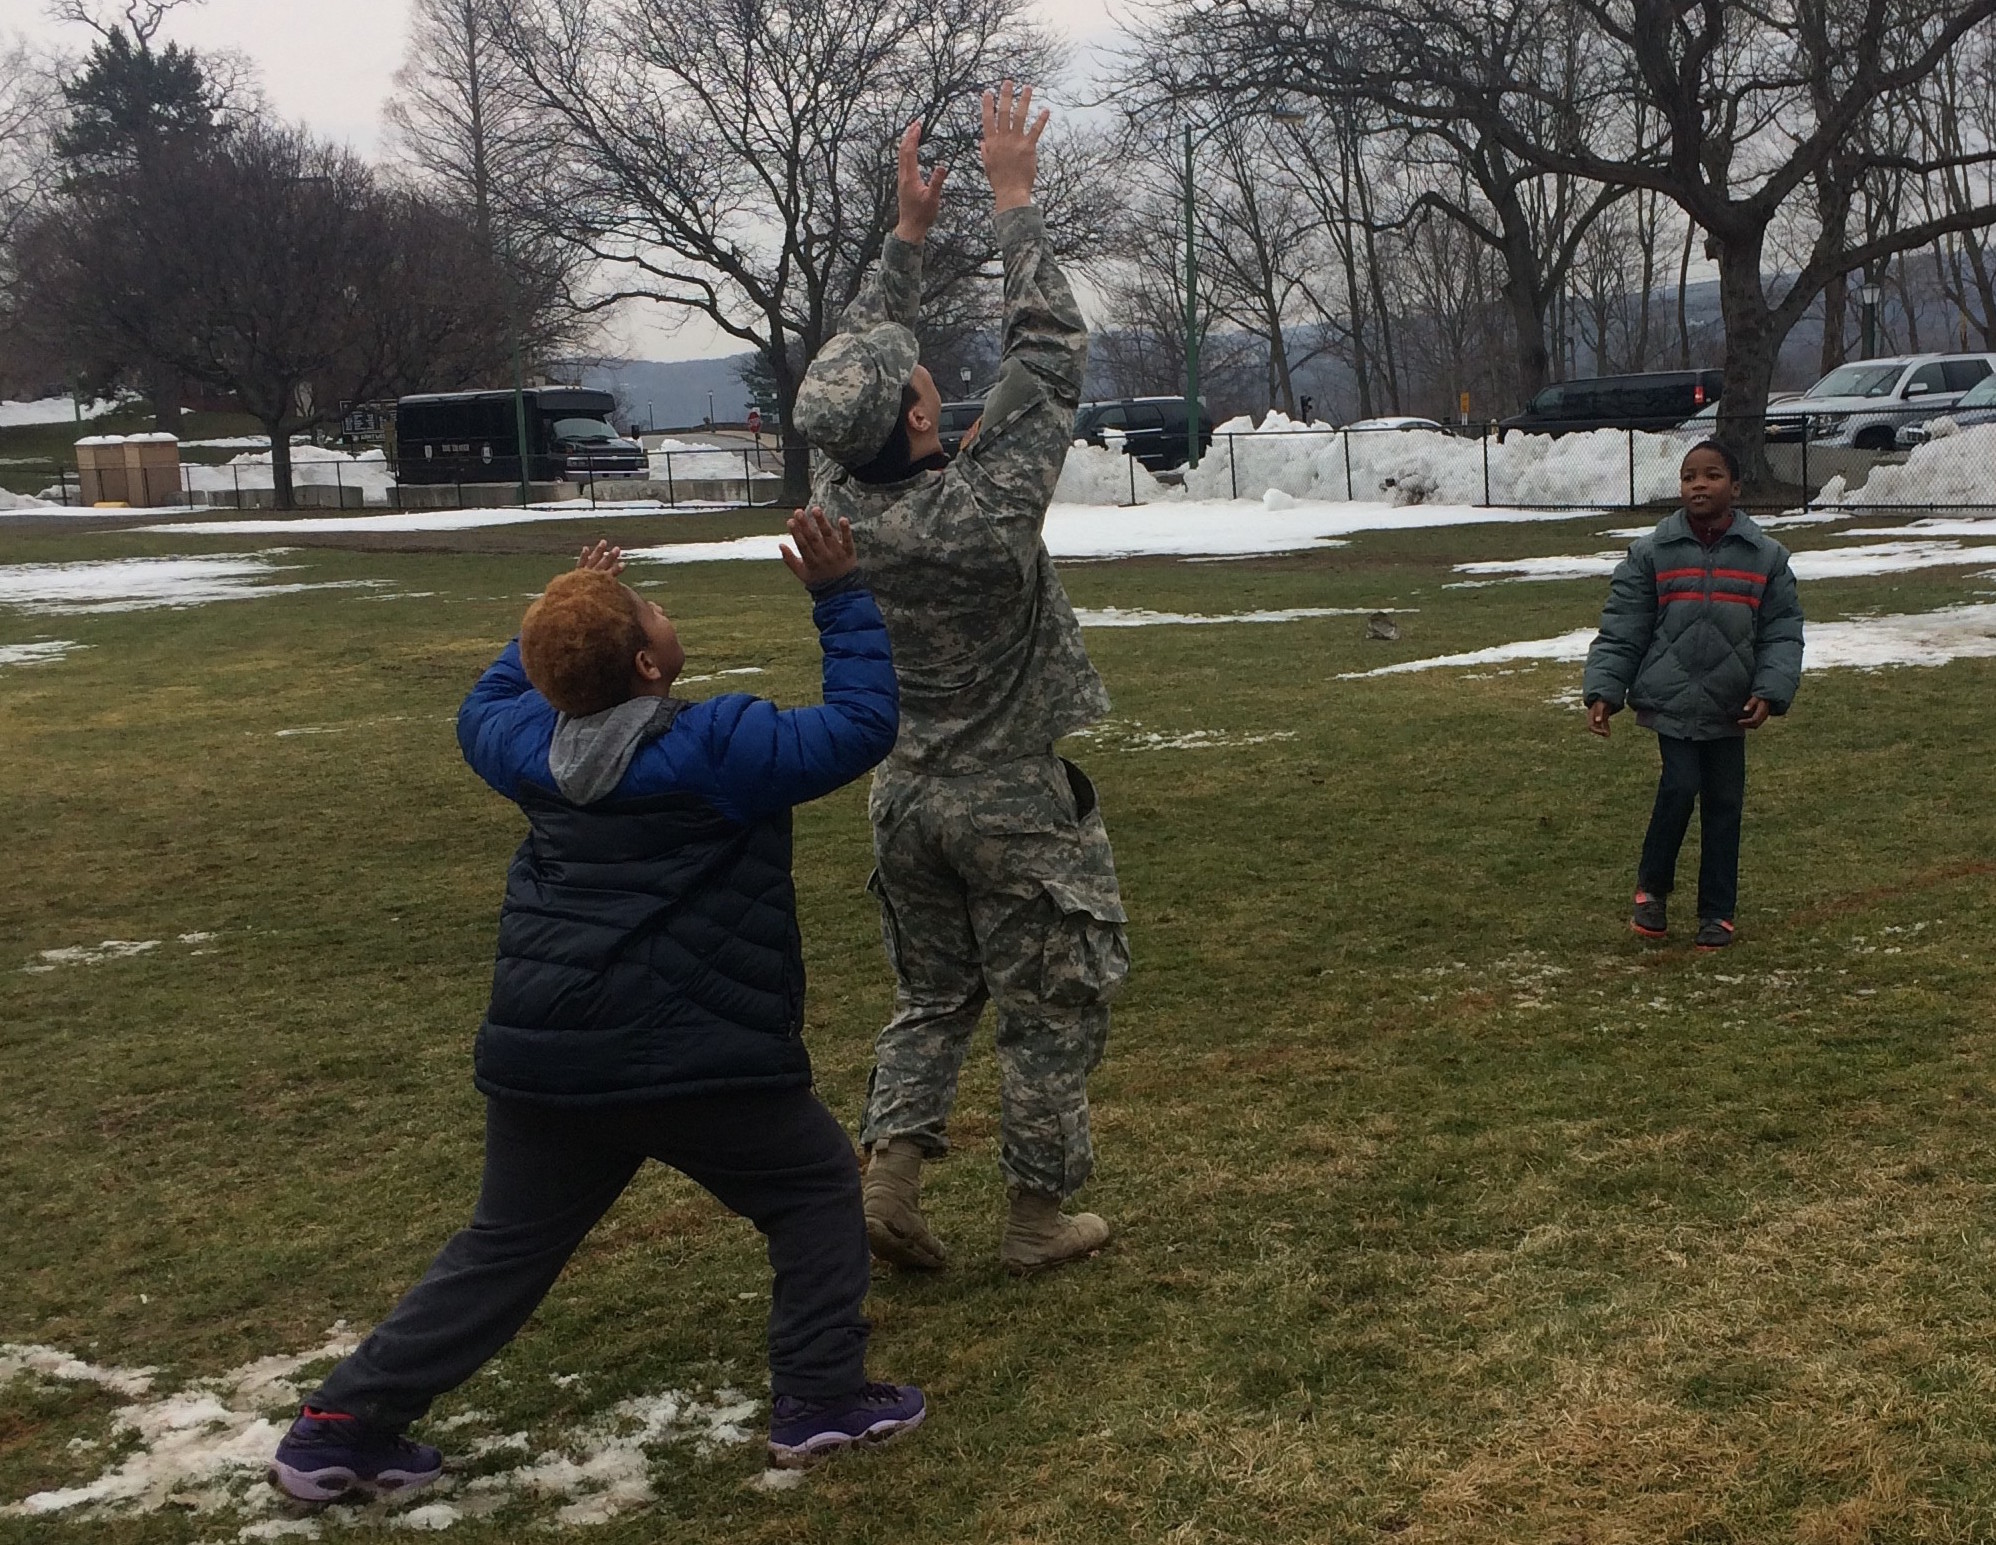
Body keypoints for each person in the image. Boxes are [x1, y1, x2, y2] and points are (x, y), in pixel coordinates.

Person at [267, 513, 923, 1503]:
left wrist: (555, 618)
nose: (663, 613)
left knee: (505, 1246)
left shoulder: (523, 746)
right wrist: (838, 595)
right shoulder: (722, 748)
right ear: (652, 667)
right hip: (696, 1056)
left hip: (549, 1060)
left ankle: (336, 1429)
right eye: (653, 613)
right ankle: (822, 1399)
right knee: (814, 1190)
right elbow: (863, 726)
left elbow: (497, 695)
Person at [791, 83, 1129, 1275]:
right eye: (923, 380)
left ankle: (888, 1183)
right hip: (1007, 803)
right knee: (1049, 1006)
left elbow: (856, 385)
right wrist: (1013, 202)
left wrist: (907, 243)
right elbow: (1048, 348)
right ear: (922, 420)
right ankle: (1037, 1222)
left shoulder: (837, 502)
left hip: (904, 798)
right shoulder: (984, 512)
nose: (928, 374)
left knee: (934, 998)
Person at [1582, 440, 1805, 949]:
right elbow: (1623, 628)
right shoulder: (1652, 553)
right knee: (1680, 788)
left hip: (1733, 705)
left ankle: (1717, 912)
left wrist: (1770, 690)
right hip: (1671, 702)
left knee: (1725, 803)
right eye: (1689, 477)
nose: (1699, 485)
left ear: (1737, 487)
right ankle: (1652, 891)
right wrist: (1604, 689)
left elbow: (1782, 630)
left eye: (1712, 475)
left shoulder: (1765, 557)